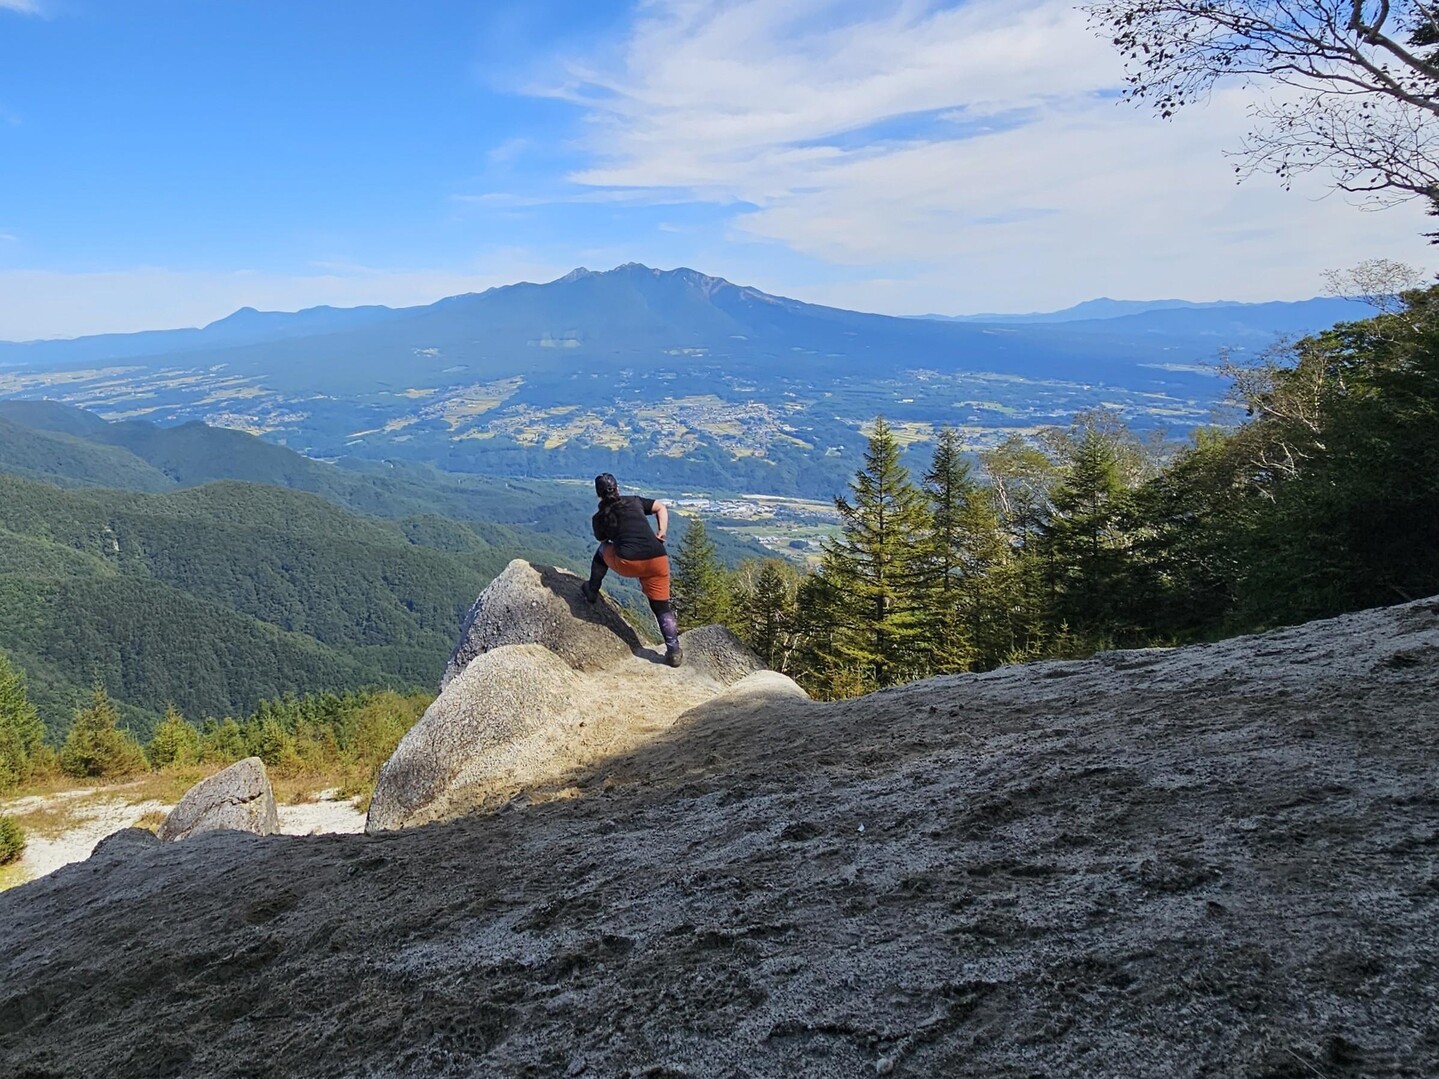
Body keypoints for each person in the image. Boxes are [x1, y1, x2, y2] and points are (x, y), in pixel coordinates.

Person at [581, 472, 683, 667]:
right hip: (658, 559)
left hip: (628, 563)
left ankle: (591, 591)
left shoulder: (600, 517)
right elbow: (660, 507)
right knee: (662, 608)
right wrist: (661, 531)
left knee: (602, 552)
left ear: (598, 495)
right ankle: (673, 651)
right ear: (617, 488)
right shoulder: (634, 501)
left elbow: (603, 540)